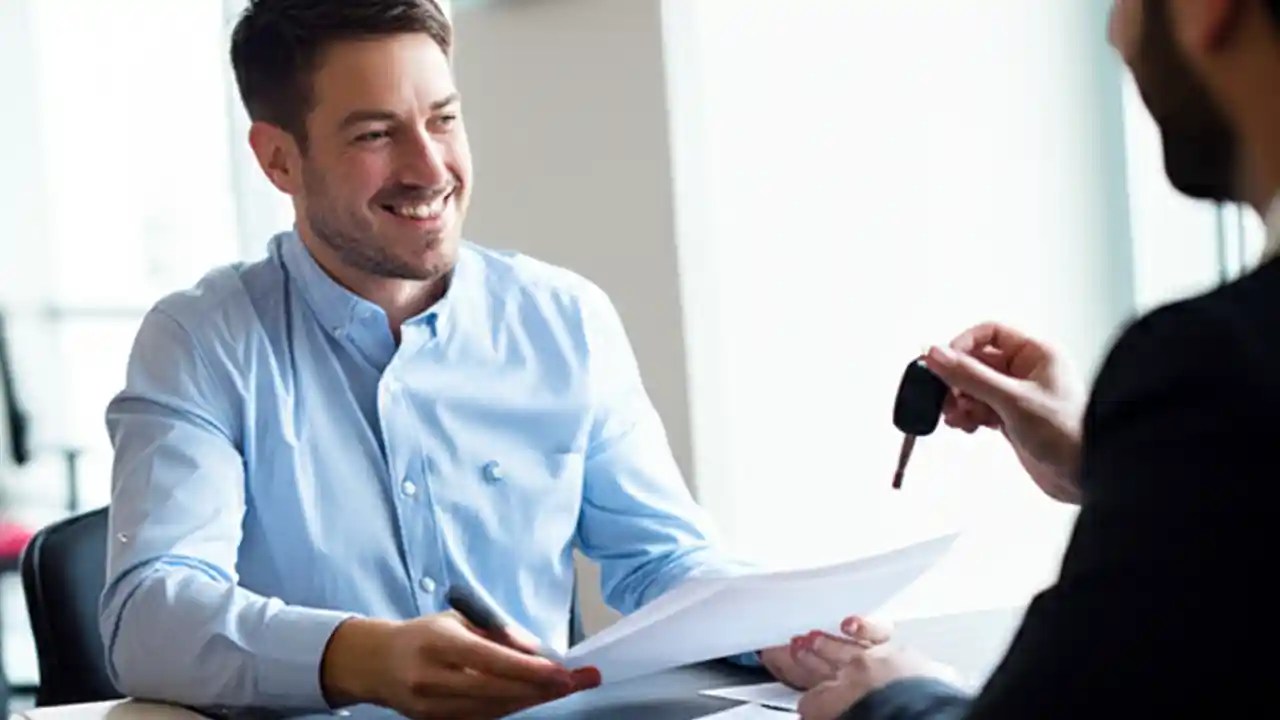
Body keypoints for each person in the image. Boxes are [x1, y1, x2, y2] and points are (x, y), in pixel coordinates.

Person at [98, 2, 879, 718]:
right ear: (279, 161)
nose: (430, 168)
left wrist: (779, 628)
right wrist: (357, 657)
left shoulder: (564, 319)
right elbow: (150, 615)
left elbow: (663, 558)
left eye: (442, 119)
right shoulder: (202, 341)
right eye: (375, 134)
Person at [792, 0, 1280, 718]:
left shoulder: (1214, 363)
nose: (1115, 33)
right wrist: (1115, 464)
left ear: (1205, 9)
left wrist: (891, 699)